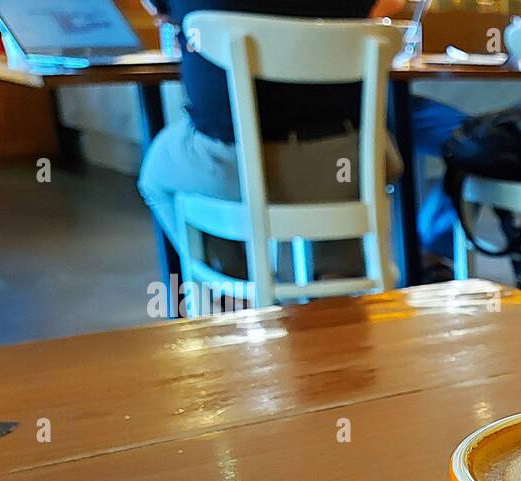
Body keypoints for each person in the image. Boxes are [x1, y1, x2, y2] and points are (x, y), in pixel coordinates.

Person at [138, 0, 407, 282]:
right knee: (344, 166)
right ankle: (337, 285)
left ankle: (234, 284)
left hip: (229, 170)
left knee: (155, 178)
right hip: (344, 170)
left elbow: (157, 11)